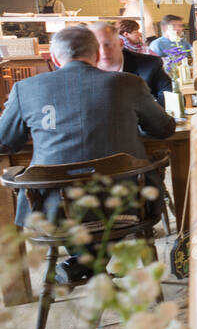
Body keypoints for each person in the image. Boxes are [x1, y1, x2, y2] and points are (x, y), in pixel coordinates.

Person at [0, 26, 175, 281]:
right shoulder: (127, 83)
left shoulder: (25, 89)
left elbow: (5, 142)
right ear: (96, 56)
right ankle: (88, 263)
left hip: (53, 213)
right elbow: (164, 129)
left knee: (74, 202)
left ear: (55, 59)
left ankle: (84, 263)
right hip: (127, 206)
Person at [91, 22, 172, 107]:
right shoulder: (82, 69)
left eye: (108, 45)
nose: (103, 52)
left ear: (121, 44)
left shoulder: (149, 65)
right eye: (96, 46)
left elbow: (172, 98)